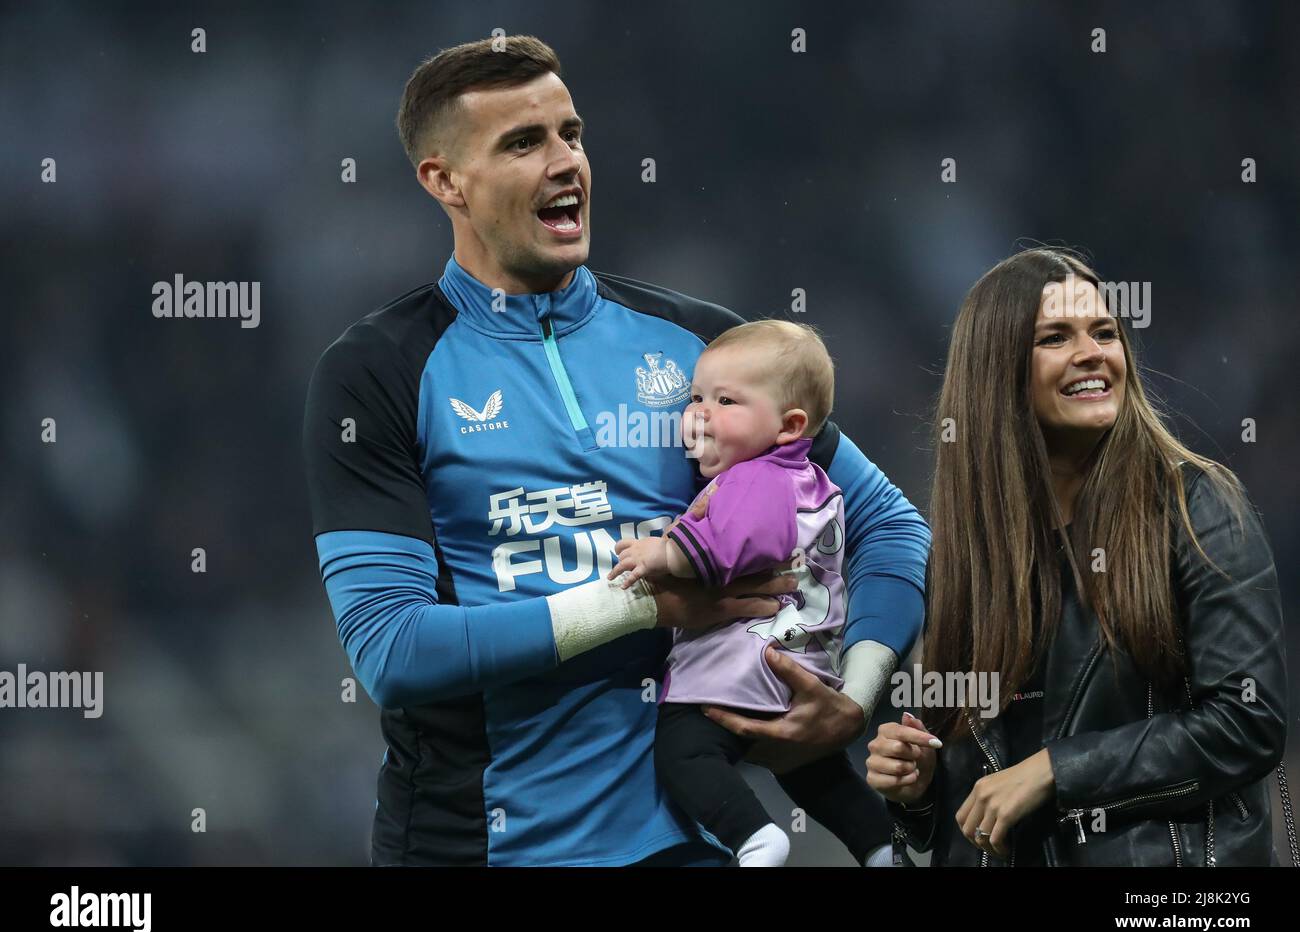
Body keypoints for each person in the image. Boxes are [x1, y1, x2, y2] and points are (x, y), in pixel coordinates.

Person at [302, 35, 930, 865]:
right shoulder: (378, 371)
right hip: (477, 847)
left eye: (571, 134)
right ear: (444, 180)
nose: (565, 161)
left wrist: (853, 693)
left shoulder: (699, 348)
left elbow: (890, 527)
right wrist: (645, 605)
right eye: (523, 143)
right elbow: (392, 648)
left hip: (687, 842)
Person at [866, 248, 1289, 866]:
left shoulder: (1195, 506)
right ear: (997, 372)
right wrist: (921, 789)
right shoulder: (966, 553)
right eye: (1056, 337)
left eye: (1105, 333)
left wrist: (1056, 771)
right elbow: (981, 785)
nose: (1093, 353)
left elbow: (1247, 722)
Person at [609, 320, 896, 866]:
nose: (699, 414)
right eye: (696, 398)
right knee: (815, 769)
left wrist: (665, 554)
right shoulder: (813, 480)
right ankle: (880, 846)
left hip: (743, 664)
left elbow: (740, 542)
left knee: (685, 750)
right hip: (802, 663)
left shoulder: (754, 477)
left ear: (789, 425)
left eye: (725, 401)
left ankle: (754, 836)